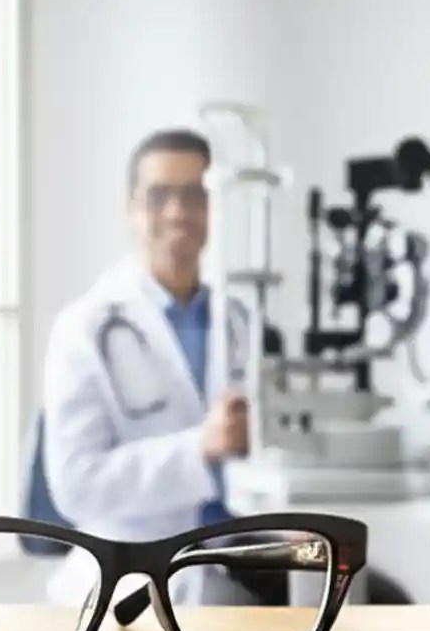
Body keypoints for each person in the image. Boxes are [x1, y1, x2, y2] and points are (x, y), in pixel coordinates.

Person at [40, 129, 264, 606]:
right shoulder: (84, 327)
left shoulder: (239, 321)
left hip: (228, 557)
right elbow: (76, 486)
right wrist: (199, 448)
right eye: (159, 195)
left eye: (195, 195)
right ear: (131, 208)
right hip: (127, 568)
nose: (178, 212)